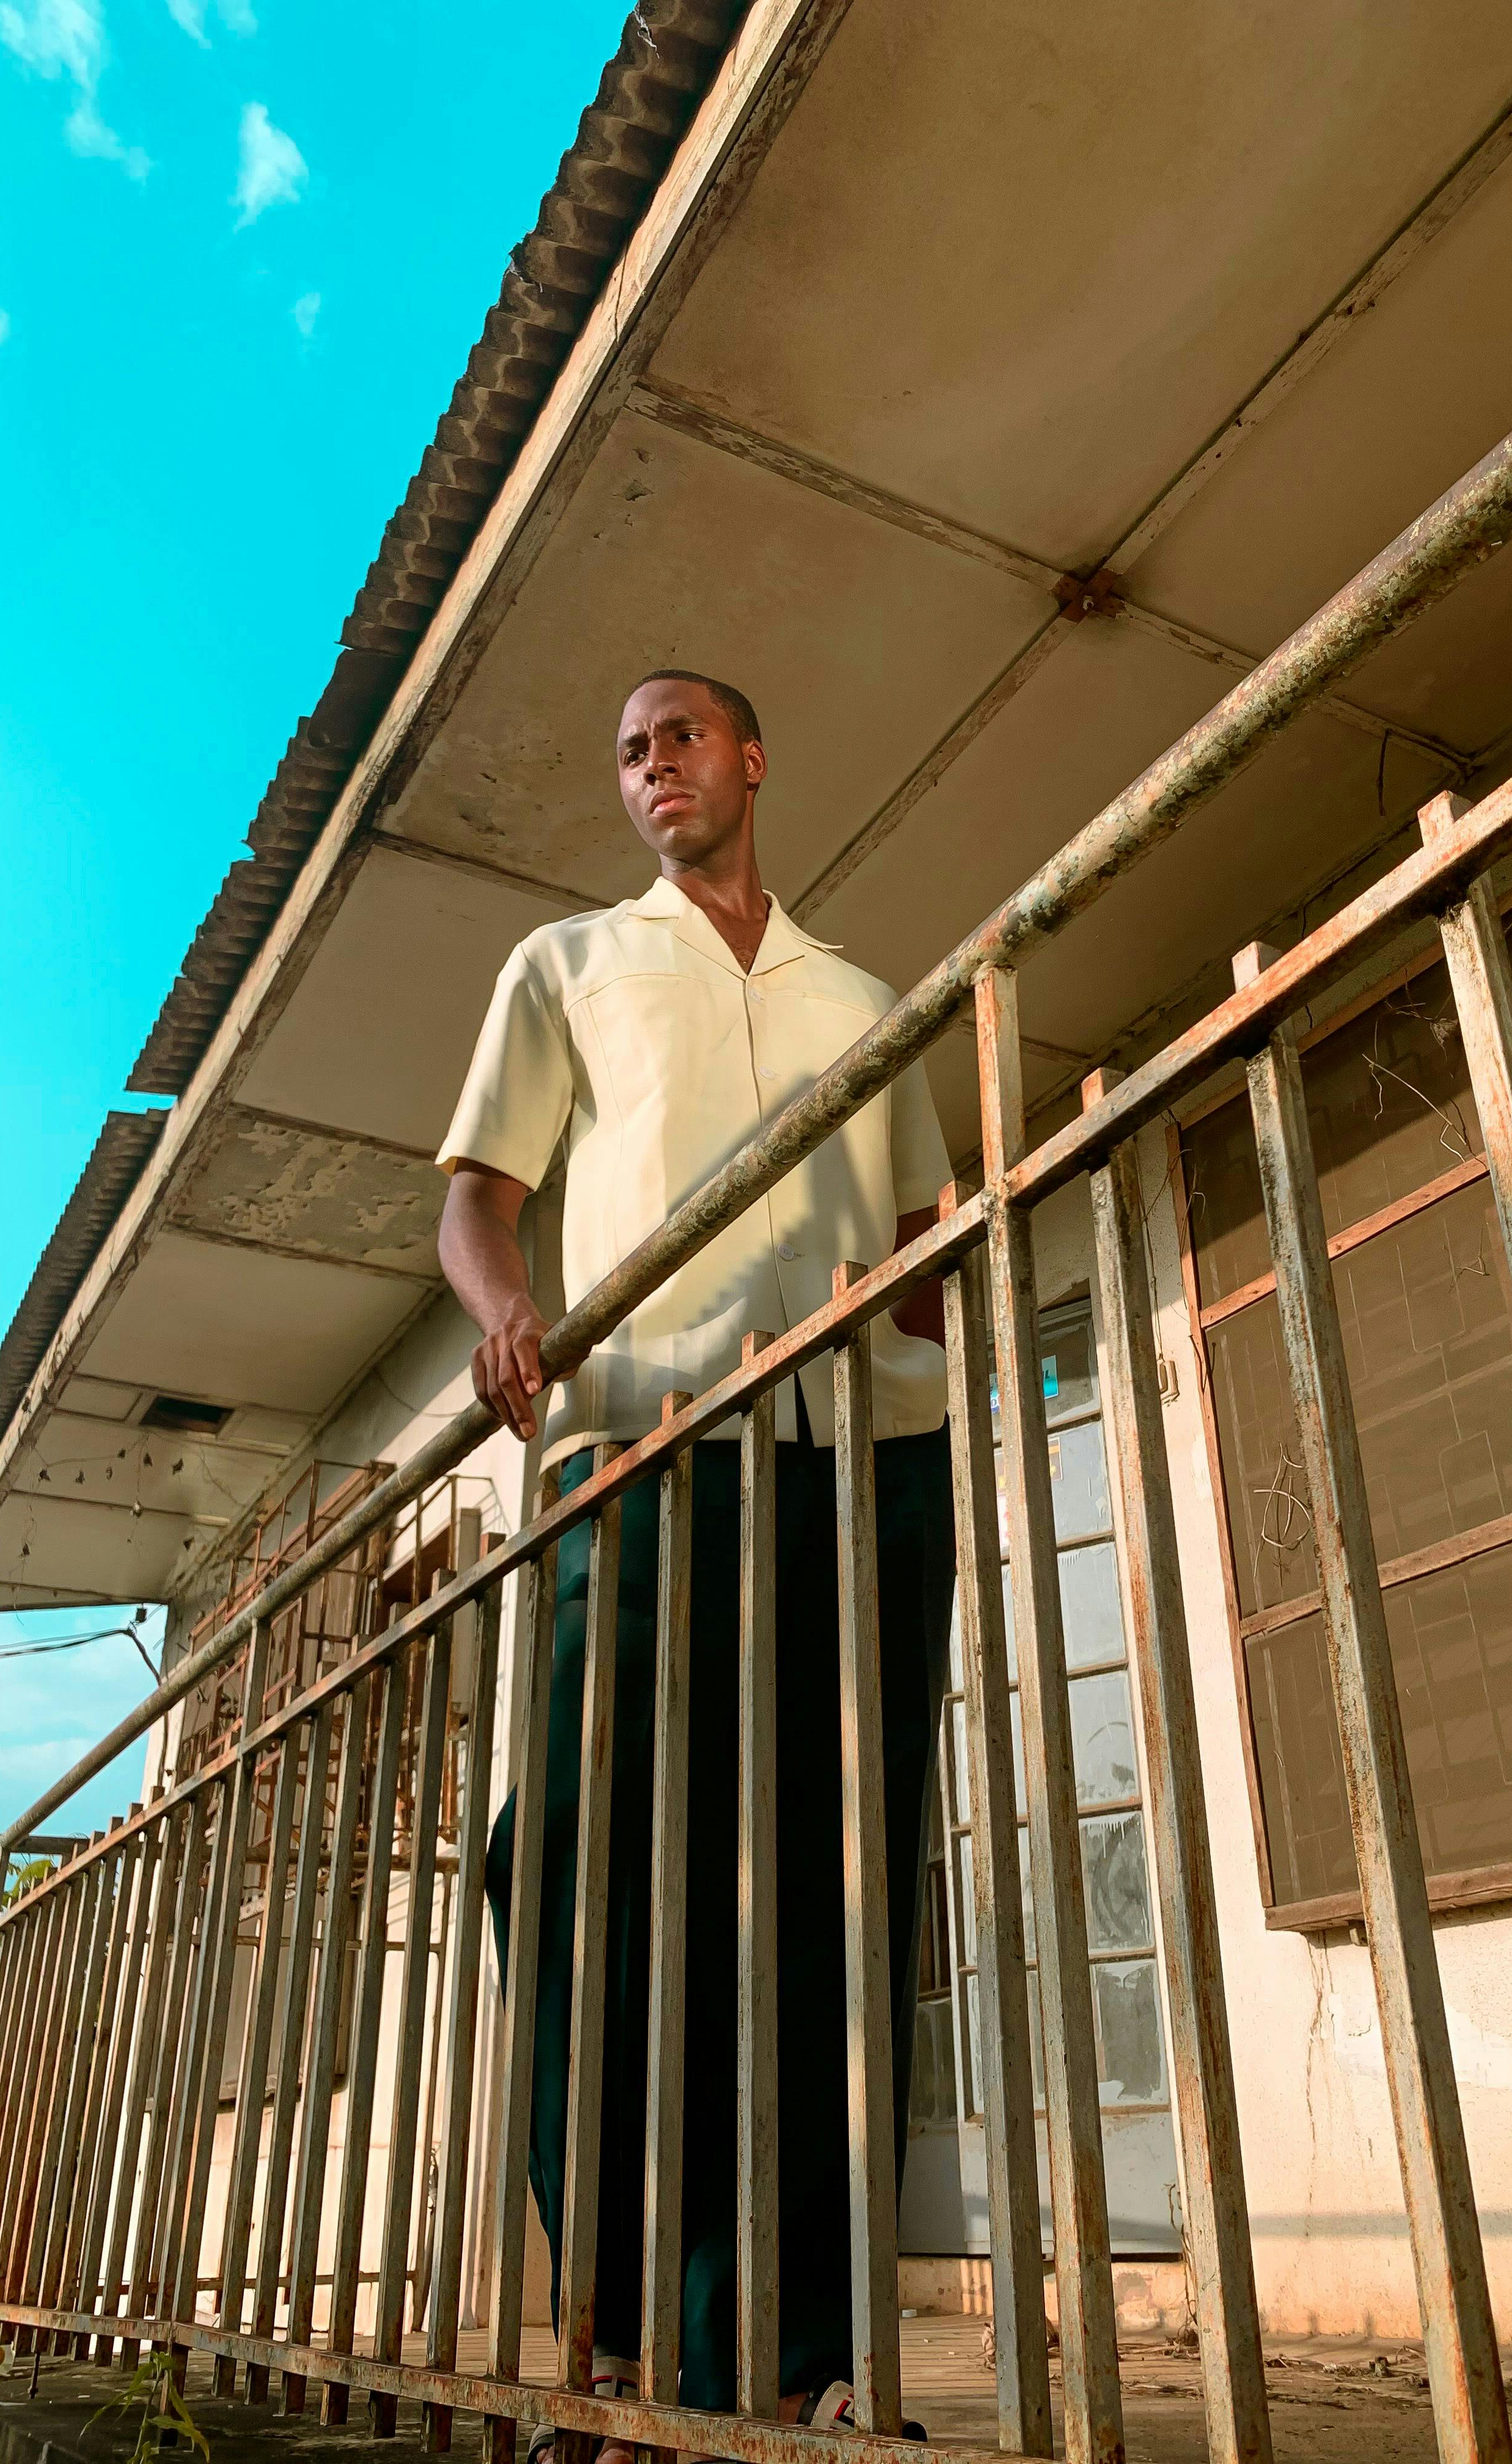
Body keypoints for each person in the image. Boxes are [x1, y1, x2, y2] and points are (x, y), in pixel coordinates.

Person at [435, 670, 956, 2455]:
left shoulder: (867, 1001)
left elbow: (916, 1236)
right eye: (629, 747)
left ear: (752, 756)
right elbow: (478, 1201)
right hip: (639, 1453)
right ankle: (624, 2316)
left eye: (681, 736)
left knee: (828, 1886)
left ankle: (799, 2353)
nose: (653, 765)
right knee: (574, 1858)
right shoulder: (568, 967)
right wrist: (512, 1325)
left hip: (858, 1461)